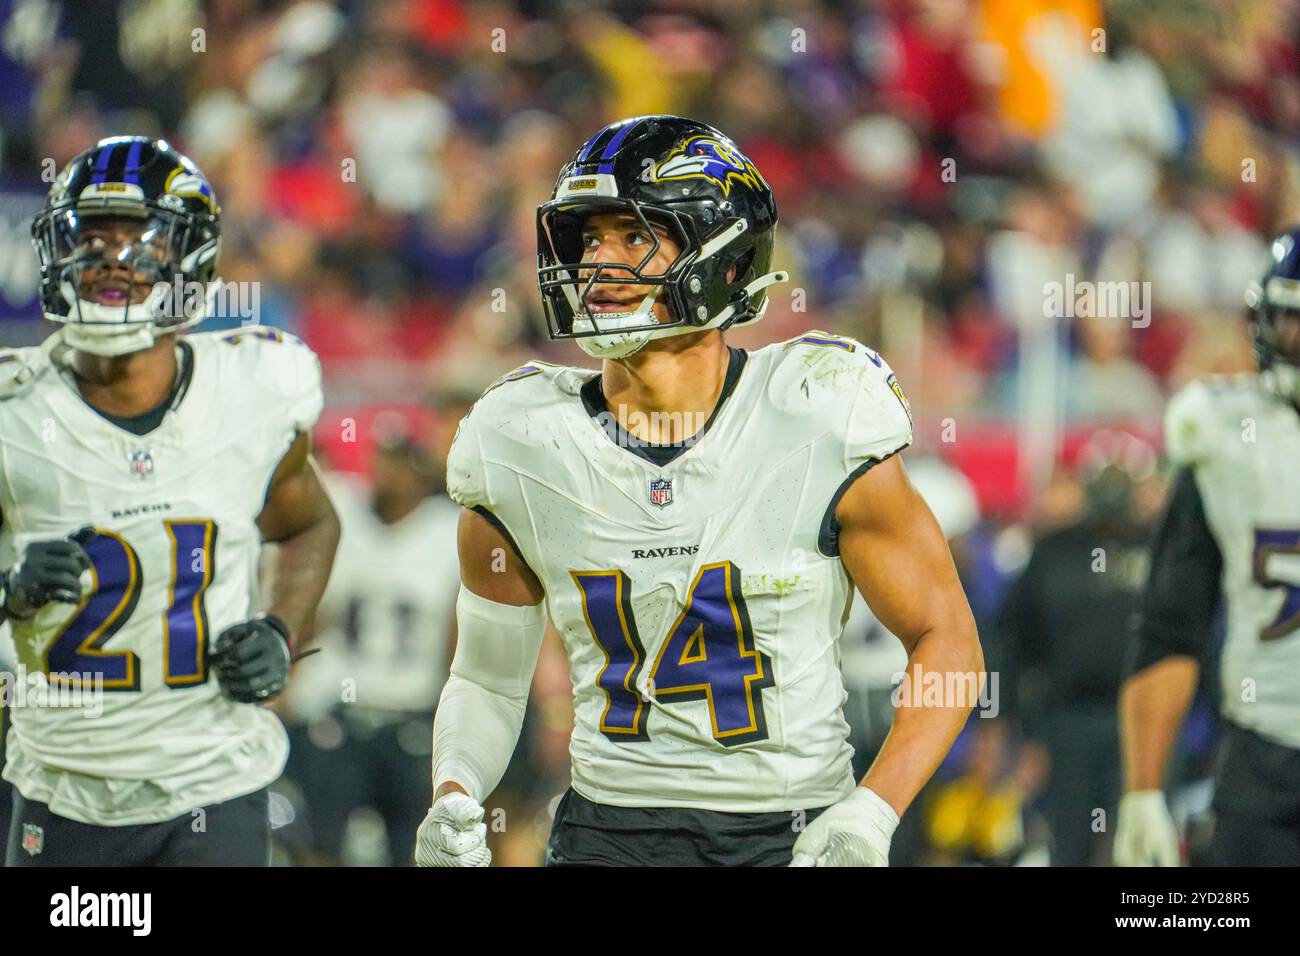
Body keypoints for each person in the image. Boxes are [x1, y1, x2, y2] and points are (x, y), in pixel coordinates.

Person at [415, 115, 983, 867]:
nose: (598, 261)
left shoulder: (814, 411)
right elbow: (487, 677)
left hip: (789, 832)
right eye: (589, 238)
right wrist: (456, 789)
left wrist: (873, 811)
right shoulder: (520, 437)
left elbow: (949, 642)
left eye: (634, 235)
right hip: (605, 836)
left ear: (723, 258)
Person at [0, 136, 339, 866]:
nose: (110, 259)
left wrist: (281, 630)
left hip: (212, 783)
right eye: (91, 238)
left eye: (140, 239)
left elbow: (308, 522)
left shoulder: (253, 389)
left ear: (192, 260)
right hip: (63, 786)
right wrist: (6, 590)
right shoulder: (13, 413)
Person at [1116, 228, 1300, 867]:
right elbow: (1170, 625)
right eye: (1288, 321)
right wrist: (1142, 791)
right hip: (1266, 761)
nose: (1295, 339)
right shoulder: (1225, 437)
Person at [282, 427, 459, 865]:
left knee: (415, 849)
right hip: (337, 711)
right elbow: (312, 615)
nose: (389, 473)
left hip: (413, 716)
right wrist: (288, 681)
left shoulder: (449, 530)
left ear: (423, 474)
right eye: (385, 460)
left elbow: (458, 638)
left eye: (401, 463)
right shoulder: (344, 509)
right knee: (319, 845)